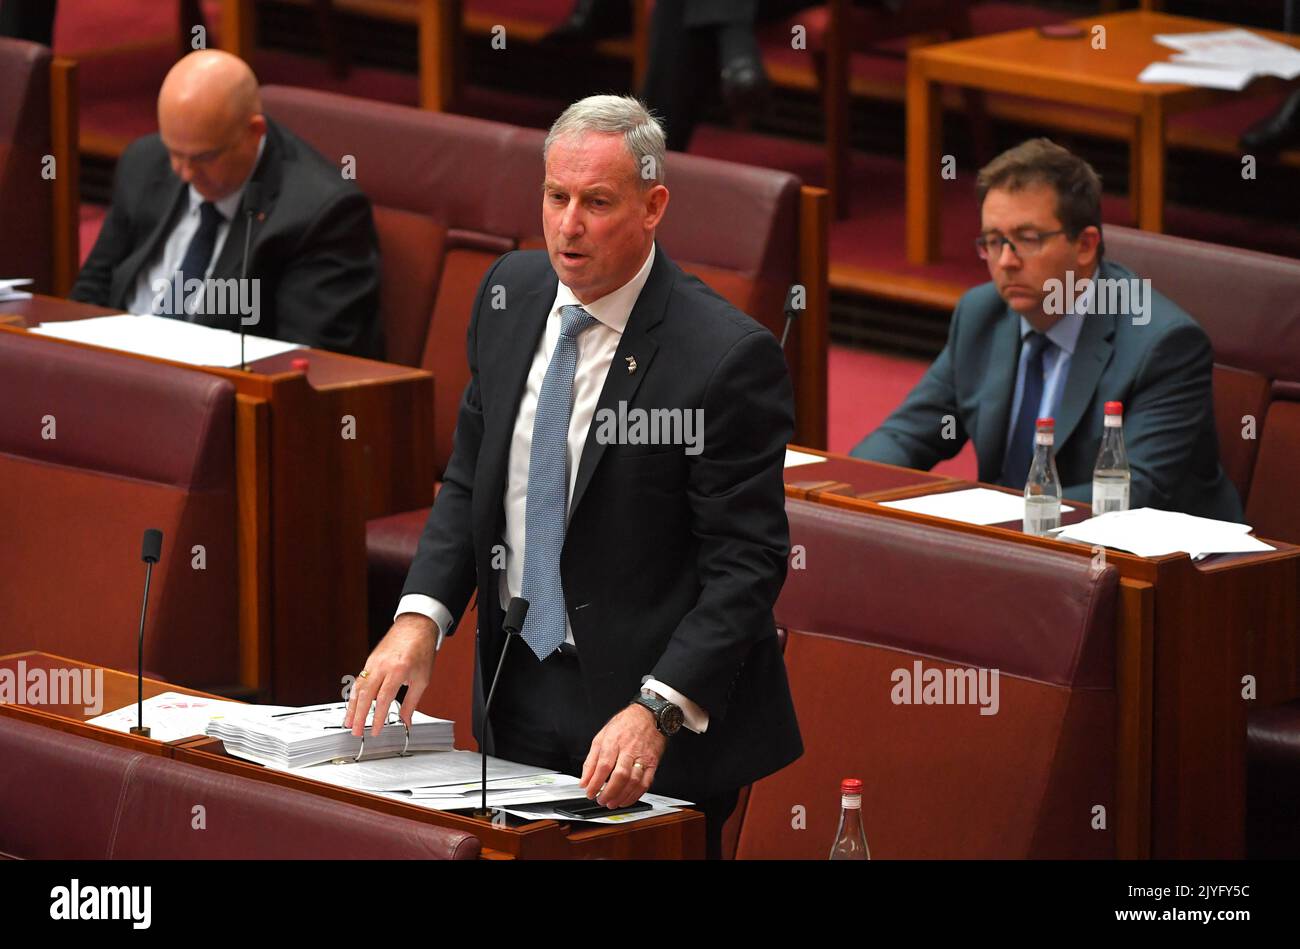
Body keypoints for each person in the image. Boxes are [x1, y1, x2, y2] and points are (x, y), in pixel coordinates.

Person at [346, 95, 802, 859]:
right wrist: (419, 617)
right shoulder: (509, 296)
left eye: (597, 202)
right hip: (516, 684)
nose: (568, 225)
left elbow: (746, 565)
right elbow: (470, 480)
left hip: (649, 714)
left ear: (654, 205)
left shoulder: (723, 357)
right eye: (556, 197)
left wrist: (656, 705)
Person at [851, 138, 1242, 522]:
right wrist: (847, 490)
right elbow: (907, 436)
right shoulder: (981, 314)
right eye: (993, 241)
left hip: (1157, 569)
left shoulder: (1163, 344)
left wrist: (989, 514)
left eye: (1028, 239)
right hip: (1013, 552)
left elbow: (1134, 491)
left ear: (1086, 245)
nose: (1005, 261)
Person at [71, 49, 383, 359]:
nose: (185, 172)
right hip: (117, 367)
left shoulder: (318, 214)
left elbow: (306, 363)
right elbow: (94, 287)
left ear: (254, 132)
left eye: (204, 158)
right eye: (175, 152)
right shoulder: (145, 162)